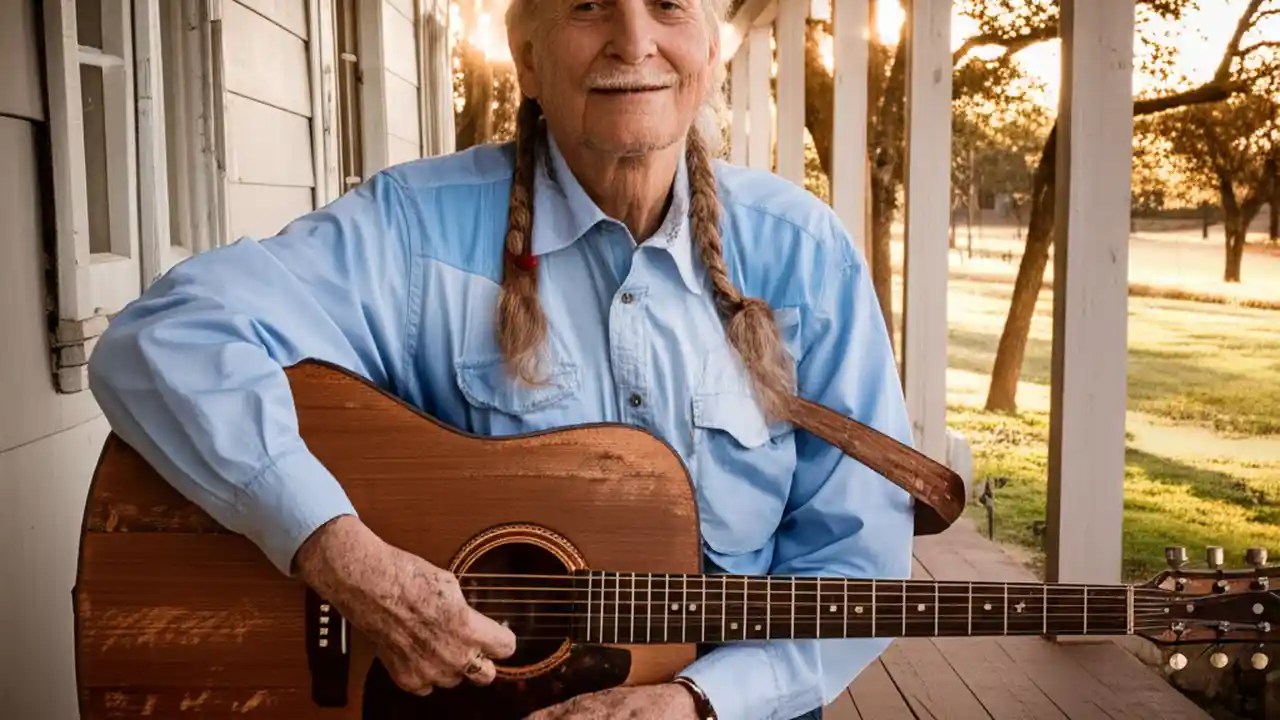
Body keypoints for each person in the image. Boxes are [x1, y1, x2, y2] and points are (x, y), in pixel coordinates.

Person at [87, 0, 914, 717]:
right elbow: (165, 336)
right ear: (527, 57)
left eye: (668, 6)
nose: (633, 41)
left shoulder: (803, 253)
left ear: (711, 49)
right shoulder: (415, 232)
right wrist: (343, 556)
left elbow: (857, 566)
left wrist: (701, 700)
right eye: (587, 7)